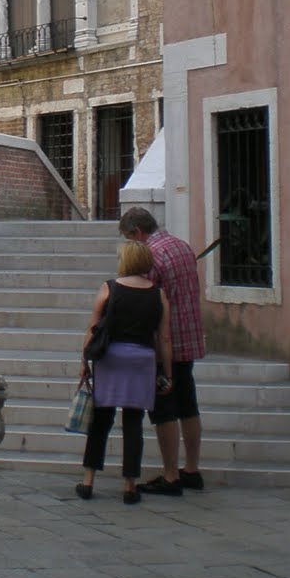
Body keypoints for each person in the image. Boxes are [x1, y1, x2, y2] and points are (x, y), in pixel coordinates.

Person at [75, 239, 172, 505]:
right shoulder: (158, 294)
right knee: (133, 422)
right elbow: (164, 338)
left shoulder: (110, 288)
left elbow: (93, 328)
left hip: (111, 358)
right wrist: (168, 372)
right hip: (142, 360)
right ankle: (129, 485)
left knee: (101, 420)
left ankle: (88, 480)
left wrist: (84, 362)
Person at [118, 205, 205, 496]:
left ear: (138, 232)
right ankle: (191, 469)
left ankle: (170, 476)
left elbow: (145, 295)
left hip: (163, 344)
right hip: (189, 337)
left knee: (164, 410)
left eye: (130, 239)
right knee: (188, 406)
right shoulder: (181, 246)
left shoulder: (151, 255)